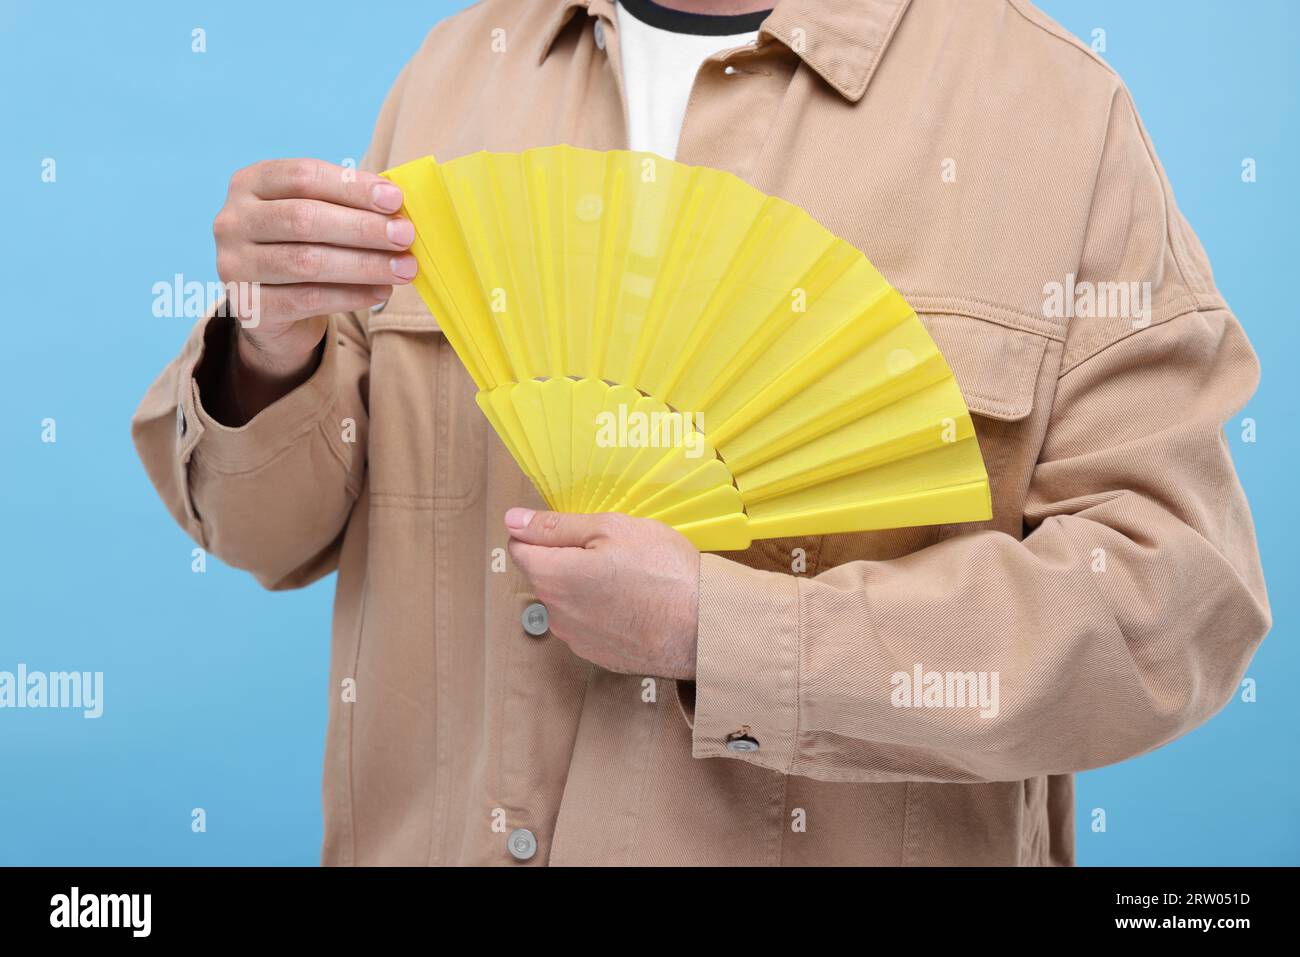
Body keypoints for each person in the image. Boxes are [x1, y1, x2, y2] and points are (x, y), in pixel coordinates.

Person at [133, 0, 1270, 866]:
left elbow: (1167, 610)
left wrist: (728, 637)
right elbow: (265, 535)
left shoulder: (1054, 118)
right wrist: (268, 345)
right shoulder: (458, 69)